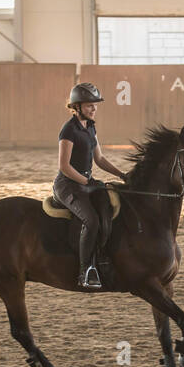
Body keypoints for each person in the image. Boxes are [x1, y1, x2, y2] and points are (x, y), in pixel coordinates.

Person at [53, 83, 127, 289]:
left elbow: (100, 159)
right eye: (88, 106)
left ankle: (103, 259)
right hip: (68, 185)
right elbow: (64, 166)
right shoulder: (69, 130)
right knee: (92, 220)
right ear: (76, 107)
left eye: (95, 105)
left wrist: (122, 174)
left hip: (86, 183)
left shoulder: (91, 126)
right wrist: (87, 182)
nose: (93, 109)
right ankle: (85, 271)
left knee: (107, 209)